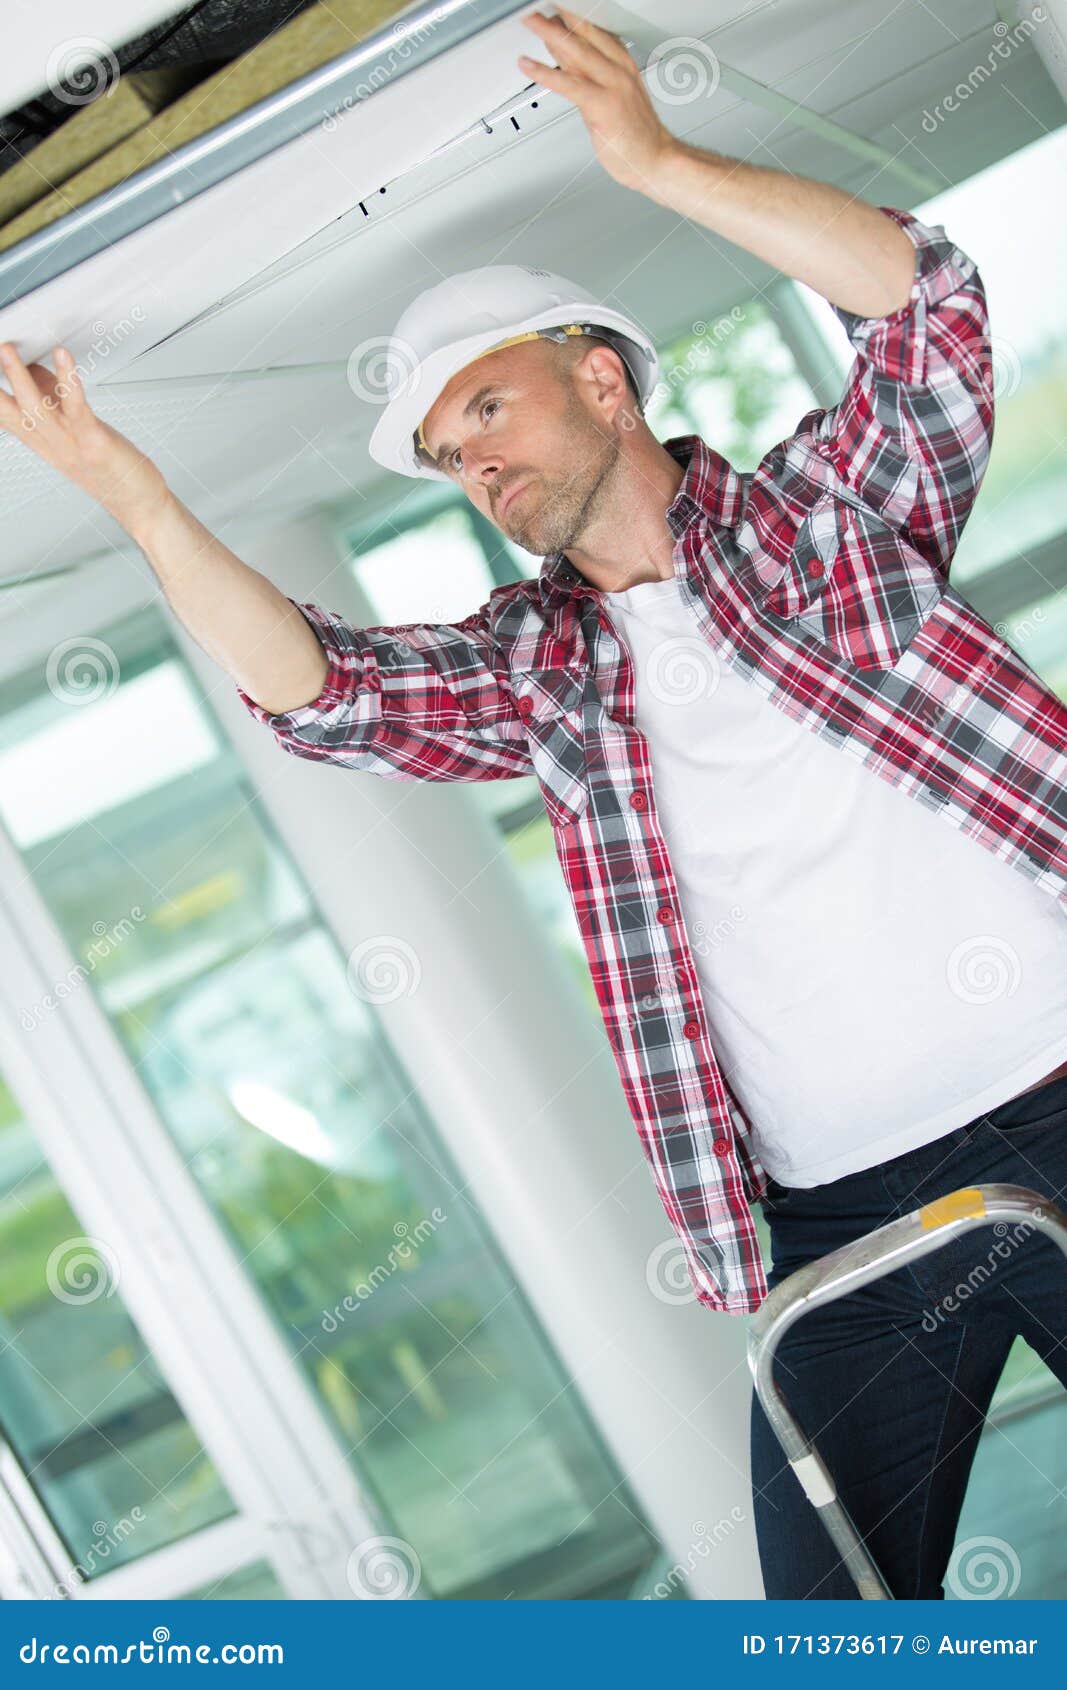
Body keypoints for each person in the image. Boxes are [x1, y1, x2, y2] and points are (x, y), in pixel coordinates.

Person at [1, 7, 1064, 1601]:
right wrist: (135, 496)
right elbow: (325, 693)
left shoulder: (829, 522)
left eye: (485, 413)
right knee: (824, 1627)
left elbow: (928, 307)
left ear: (602, 378)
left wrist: (652, 159)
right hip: (840, 1217)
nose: (474, 469)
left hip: (1055, 1088)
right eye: (446, 456)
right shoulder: (542, 673)